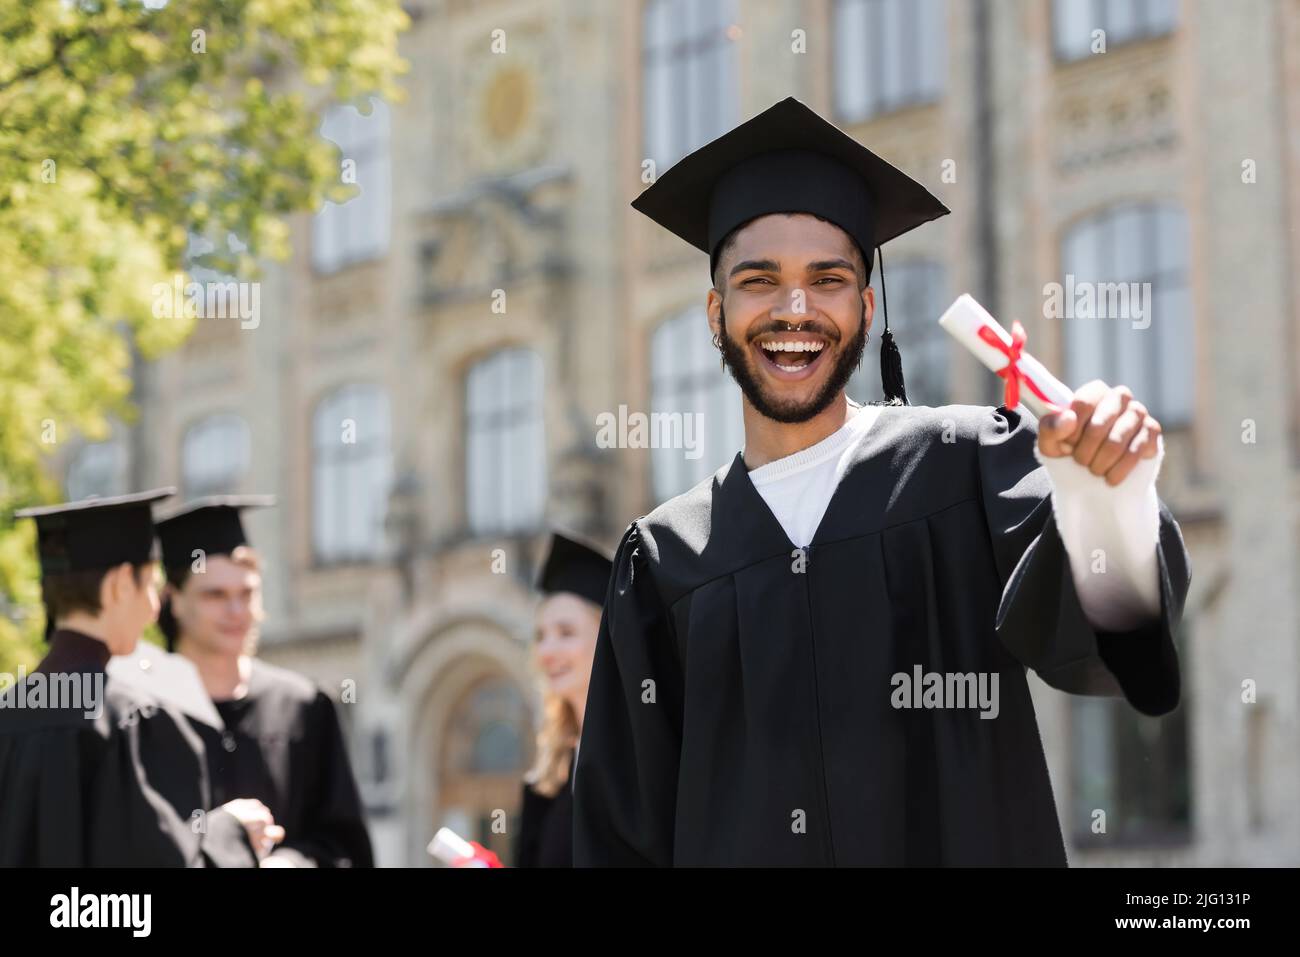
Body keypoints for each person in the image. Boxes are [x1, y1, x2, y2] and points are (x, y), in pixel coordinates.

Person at [572, 97, 1192, 866]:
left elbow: (1121, 655)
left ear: (865, 308)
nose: (794, 309)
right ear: (714, 311)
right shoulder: (665, 561)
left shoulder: (968, 465)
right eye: (760, 281)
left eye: (827, 279)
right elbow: (618, 839)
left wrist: (1111, 498)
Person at [0, 489, 276, 867]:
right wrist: (230, 834)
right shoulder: (137, 720)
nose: (153, 609)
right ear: (119, 585)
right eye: (149, 585)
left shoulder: (9, 714)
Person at [155, 495, 374, 868]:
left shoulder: (303, 706)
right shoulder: (144, 708)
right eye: (216, 595)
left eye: (247, 593)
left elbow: (344, 846)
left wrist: (290, 864)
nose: (237, 612)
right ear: (173, 600)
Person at [516, 532, 612, 868]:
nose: (546, 651)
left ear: (608, 638)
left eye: (566, 633)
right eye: (540, 636)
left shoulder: (642, 758)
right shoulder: (550, 772)